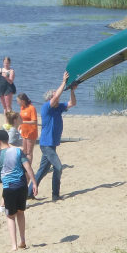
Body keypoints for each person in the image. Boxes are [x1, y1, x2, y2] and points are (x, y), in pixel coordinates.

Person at [0, 129, 38, 251]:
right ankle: (23, 240)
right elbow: (28, 167)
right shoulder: (18, 151)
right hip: (22, 186)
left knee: (10, 216)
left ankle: (14, 245)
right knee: (21, 212)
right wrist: (34, 183)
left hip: (9, 187)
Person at [35, 71, 76, 201]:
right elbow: (56, 96)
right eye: (55, 96)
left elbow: (72, 103)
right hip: (46, 144)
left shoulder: (59, 107)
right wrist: (64, 81)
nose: (57, 98)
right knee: (58, 167)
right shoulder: (47, 107)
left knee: (42, 171)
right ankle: (55, 195)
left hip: (51, 143)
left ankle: (29, 192)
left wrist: (71, 90)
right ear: (50, 99)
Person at [17, 92, 38, 166]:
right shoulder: (22, 108)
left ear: (23, 101)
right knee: (24, 151)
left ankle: (28, 167)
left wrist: (23, 122)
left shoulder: (31, 108)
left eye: (18, 101)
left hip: (31, 132)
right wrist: (20, 125)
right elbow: (21, 118)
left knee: (29, 152)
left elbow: (34, 122)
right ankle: (25, 166)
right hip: (24, 132)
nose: (17, 103)